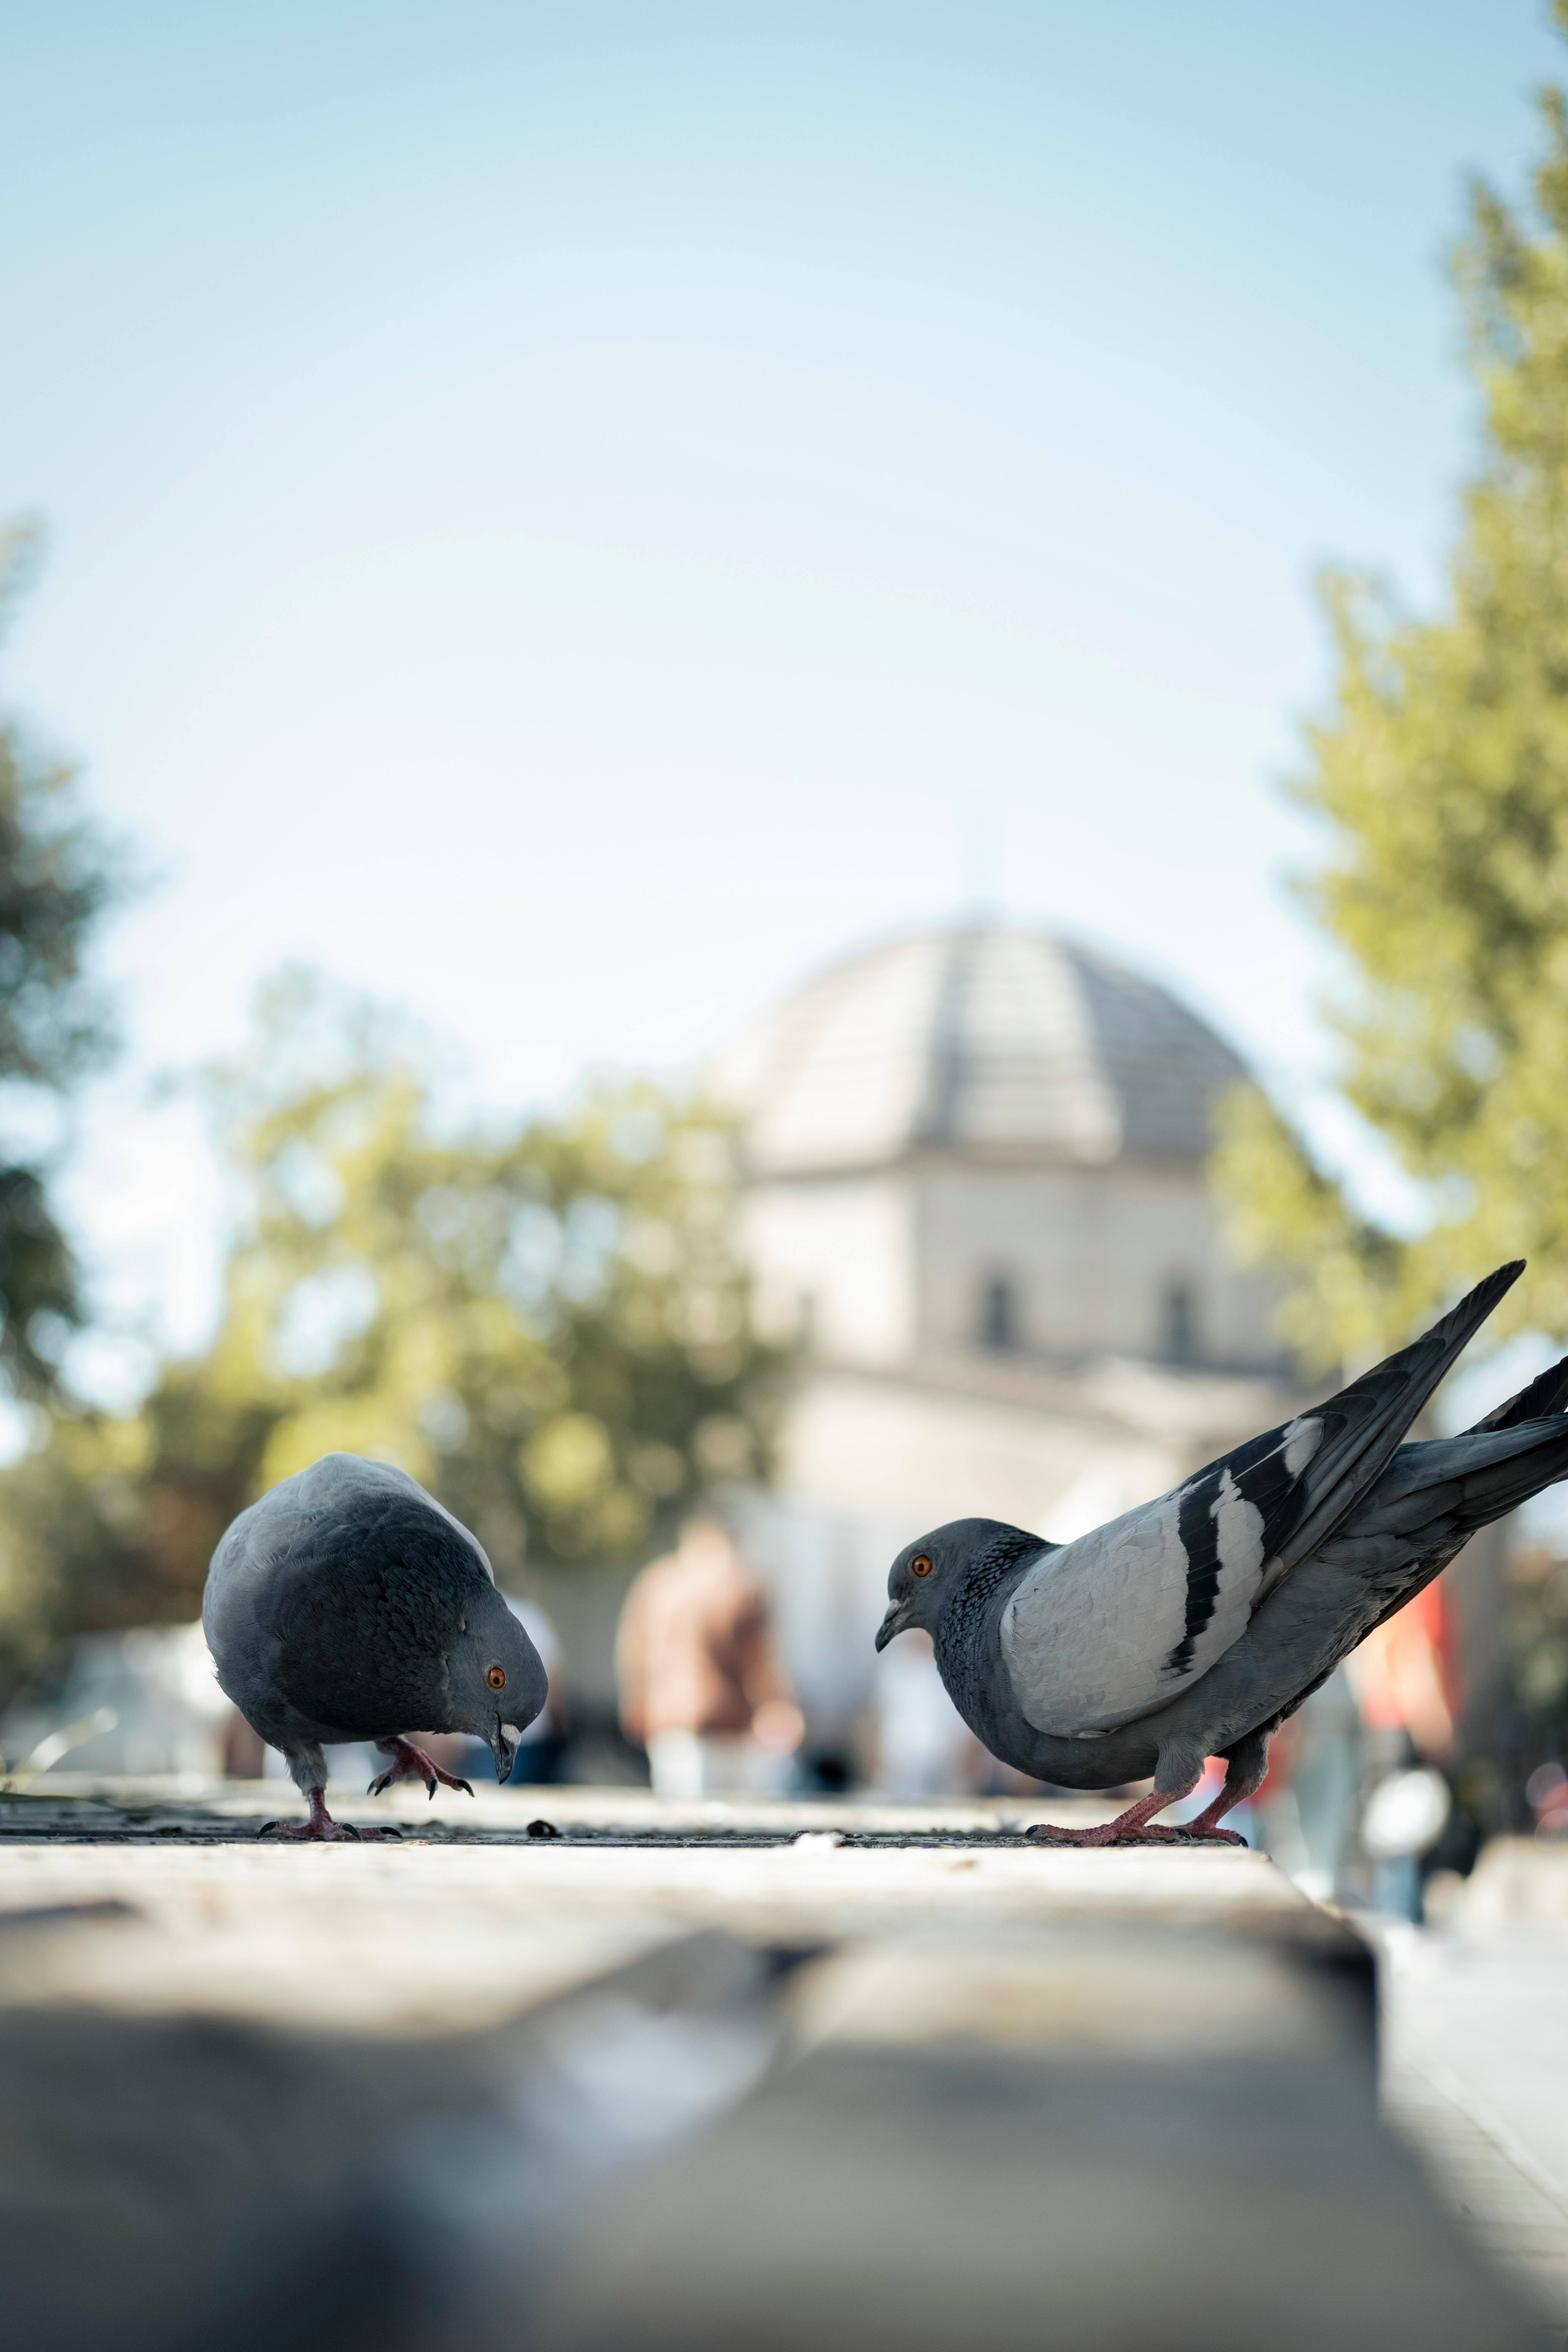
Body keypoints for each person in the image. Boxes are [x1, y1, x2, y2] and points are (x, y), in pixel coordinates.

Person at [616, 1516, 803, 1798]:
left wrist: (637, 1704)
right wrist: (777, 1705)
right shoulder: (742, 1584)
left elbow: (633, 1652)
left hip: (669, 1722)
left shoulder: (656, 1583)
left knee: (679, 1814)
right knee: (737, 1817)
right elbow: (759, 1661)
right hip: (728, 1721)